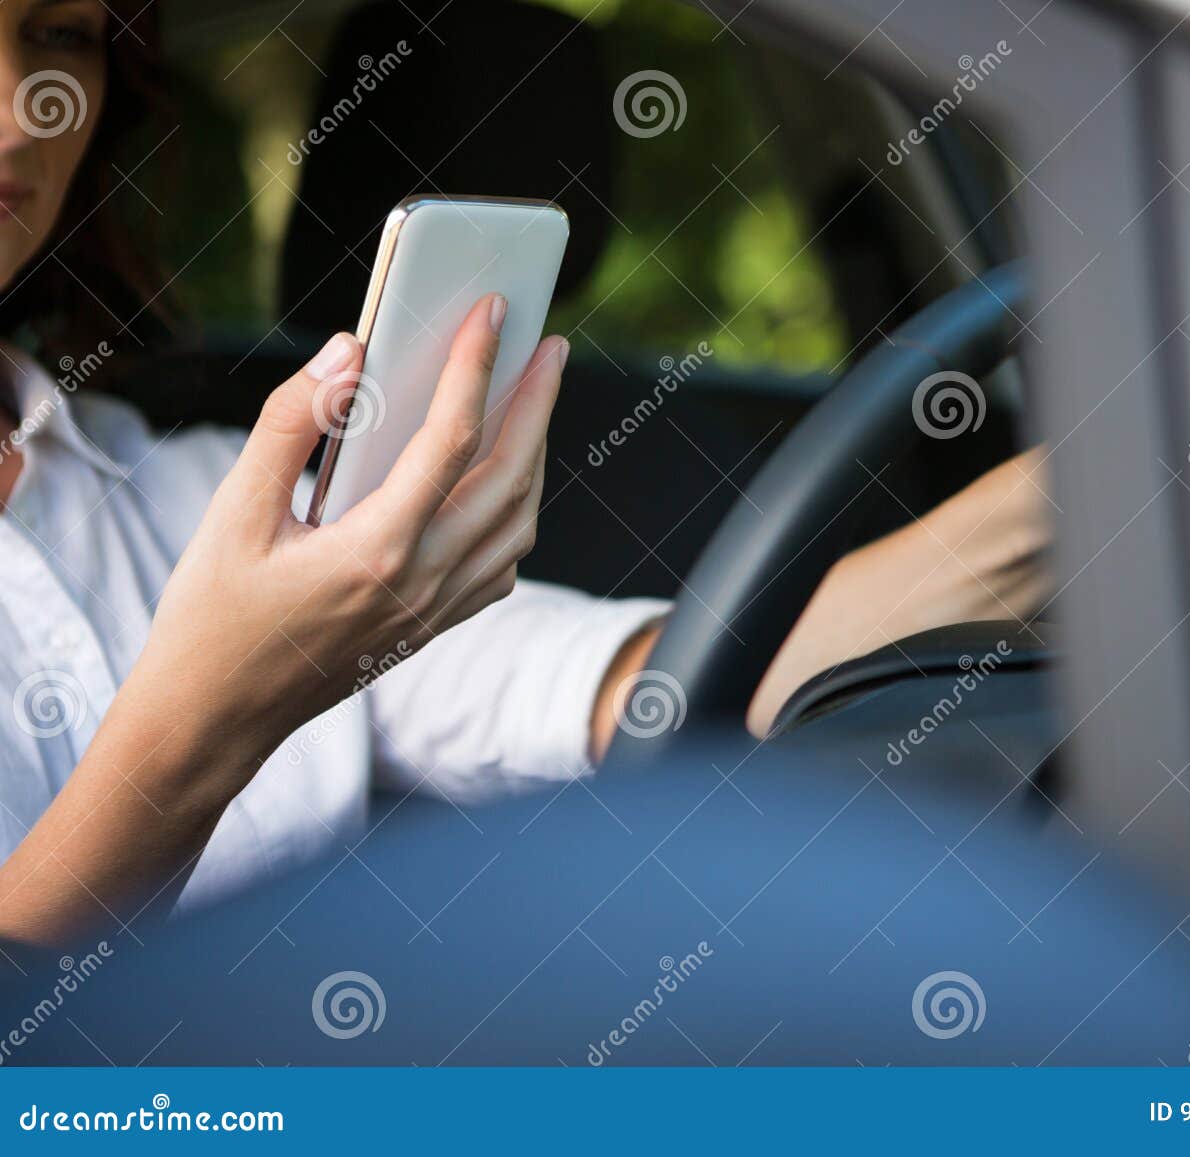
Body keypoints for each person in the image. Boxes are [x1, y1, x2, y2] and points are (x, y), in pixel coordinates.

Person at [0, 0, 1050, 945]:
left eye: (55, 39)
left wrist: (1104, 489)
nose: (17, 113)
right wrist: (205, 719)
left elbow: (663, 686)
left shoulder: (218, 502)